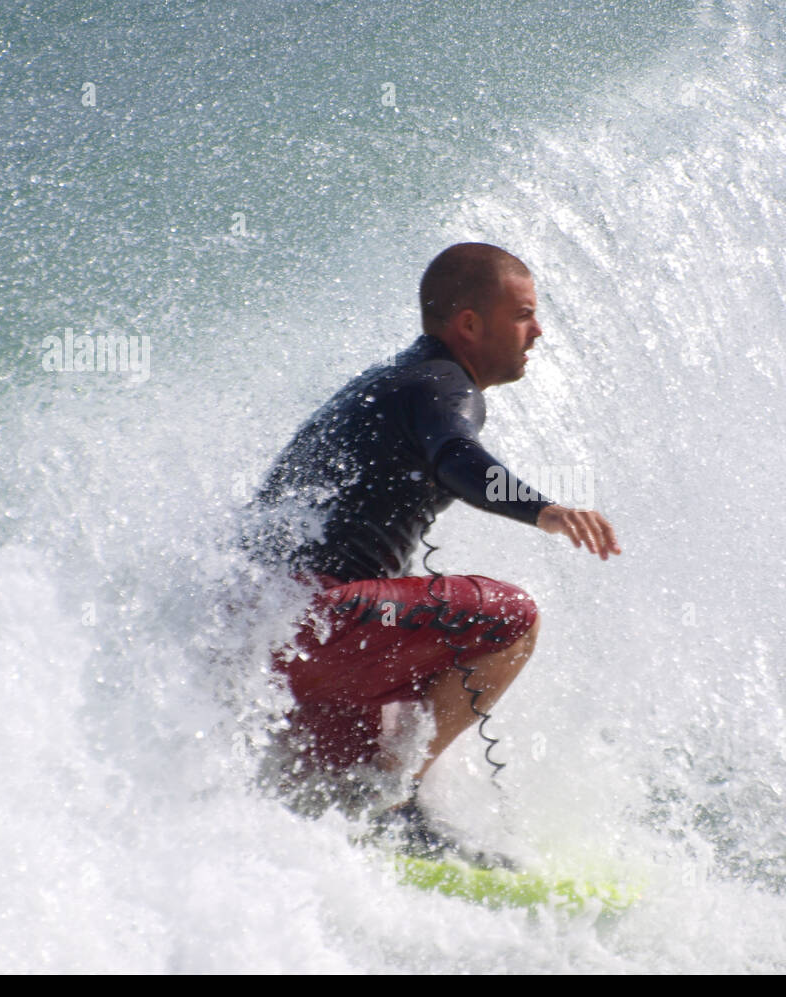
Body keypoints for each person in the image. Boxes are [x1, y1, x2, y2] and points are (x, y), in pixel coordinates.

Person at [247, 243, 620, 859]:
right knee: (511, 618)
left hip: (268, 634)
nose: (538, 330)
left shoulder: (380, 386)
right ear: (469, 324)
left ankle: (354, 837)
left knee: (340, 771)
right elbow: (458, 458)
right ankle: (396, 805)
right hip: (324, 623)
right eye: (523, 314)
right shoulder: (444, 386)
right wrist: (543, 510)